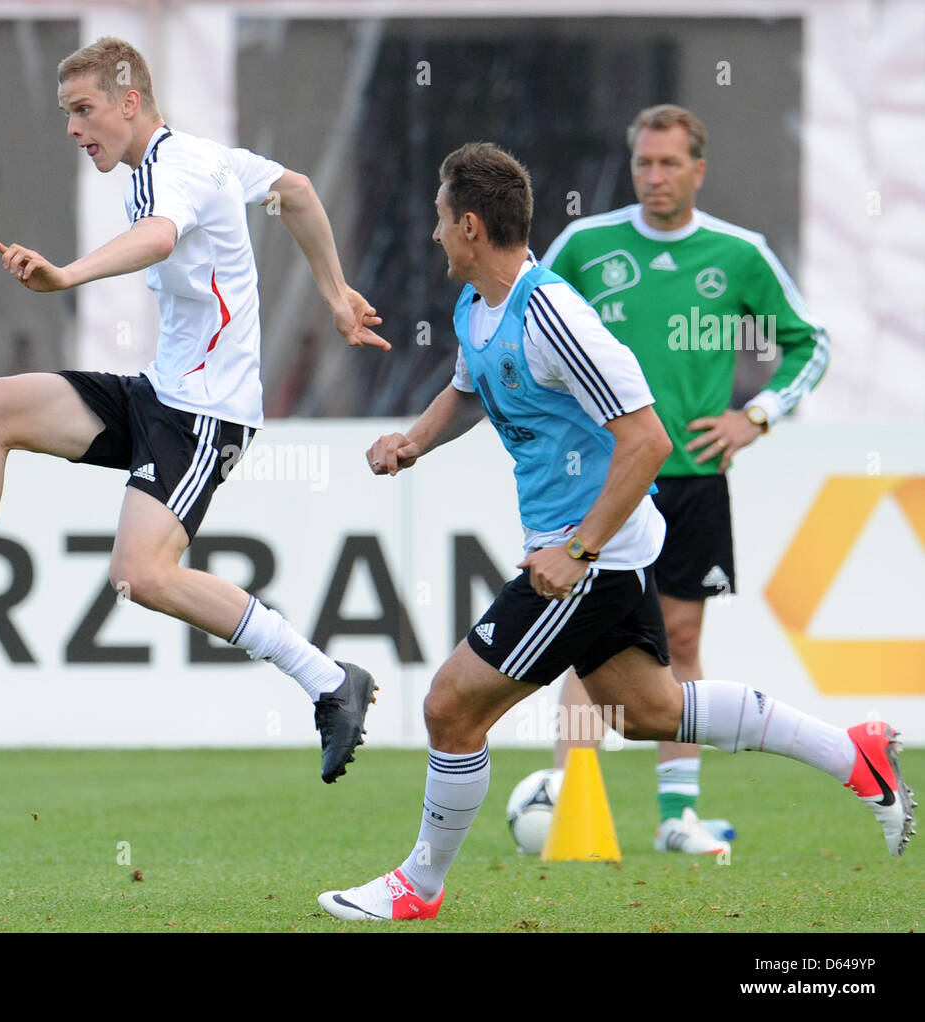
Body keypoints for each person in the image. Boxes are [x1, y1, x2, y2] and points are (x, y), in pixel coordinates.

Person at [318, 142, 912, 922]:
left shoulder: (557, 316)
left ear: (469, 227)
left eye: (437, 221)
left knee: (449, 707)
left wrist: (577, 550)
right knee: (648, 711)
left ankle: (417, 888)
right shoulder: (477, 307)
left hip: (590, 553)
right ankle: (855, 752)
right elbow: (466, 389)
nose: (432, 236)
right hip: (589, 549)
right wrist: (412, 442)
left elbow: (649, 441)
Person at [0, 37, 385, 783]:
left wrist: (68, 275)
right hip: (159, 393)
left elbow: (159, 236)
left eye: (84, 111)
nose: (74, 129)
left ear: (130, 102)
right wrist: (334, 293)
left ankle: (329, 682)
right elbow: (295, 189)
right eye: (67, 114)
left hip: (207, 414)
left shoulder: (173, 169)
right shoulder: (204, 160)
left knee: (142, 575)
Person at [539, 104, 831, 856]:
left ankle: (676, 818)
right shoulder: (586, 244)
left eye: (670, 164)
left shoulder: (739, 255)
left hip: (695, 476)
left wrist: (756, 415)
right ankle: (573, 797)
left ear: (699, 169)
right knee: (590, 635)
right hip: (608, 480)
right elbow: (523, 320)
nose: (655, 177)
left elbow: (810, 344)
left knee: (684, 637)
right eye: (644, 162)